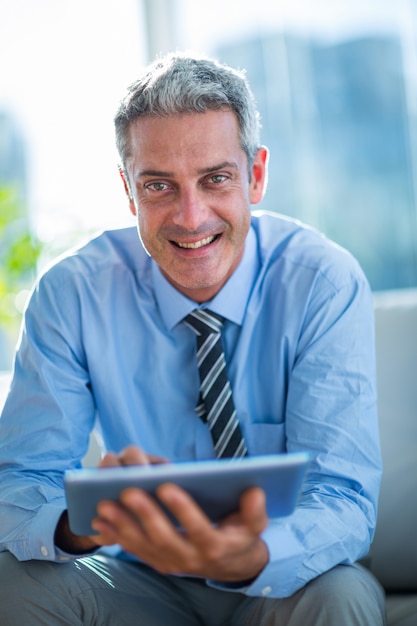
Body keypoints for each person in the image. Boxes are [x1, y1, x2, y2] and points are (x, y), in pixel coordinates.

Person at [0, 52, 386, 625]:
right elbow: (20, 480)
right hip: (135, 581)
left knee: (343, 596)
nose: (190, 216)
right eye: (159, 186)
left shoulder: (322, 284)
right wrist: (78, 525)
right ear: (130, 192)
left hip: (281, 578)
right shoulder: (73, 294)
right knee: (14, 584)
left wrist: (253, 555)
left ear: (254, 176)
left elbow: (344, 495)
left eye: (215, 179)